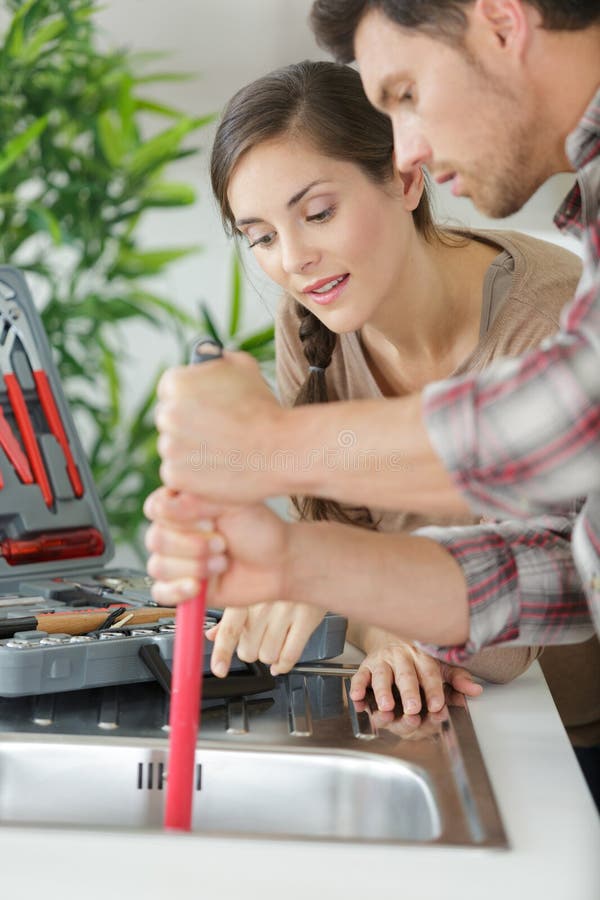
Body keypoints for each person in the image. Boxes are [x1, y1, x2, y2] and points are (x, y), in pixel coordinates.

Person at [145, 61, 599, 755]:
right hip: (444, 718)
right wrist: (374, 623)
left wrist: (325, 572)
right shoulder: (313, 319)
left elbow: (509, 645)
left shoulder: (553, 323)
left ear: (406, 179)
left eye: (319, 213)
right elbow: (329, 537)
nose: (294, 259)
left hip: (563, 742)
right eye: (261, 236)